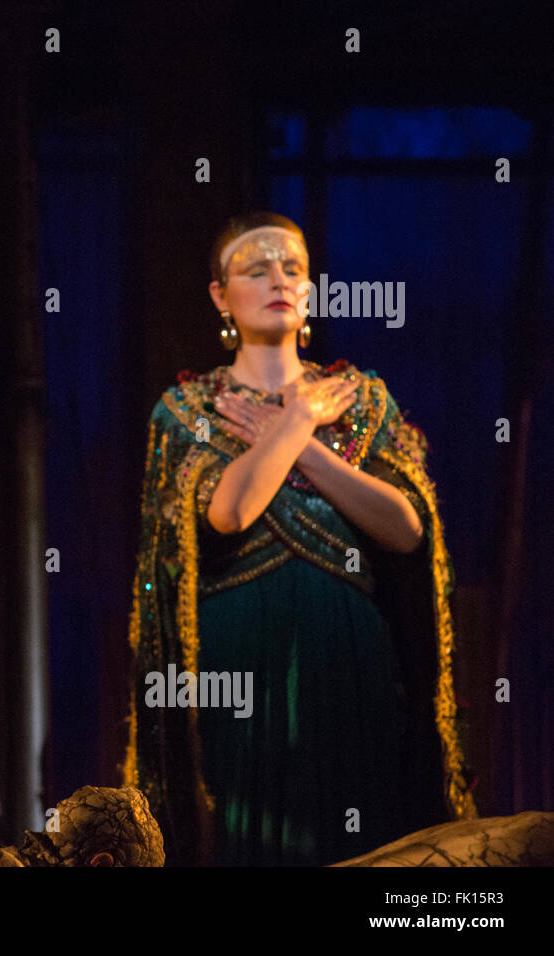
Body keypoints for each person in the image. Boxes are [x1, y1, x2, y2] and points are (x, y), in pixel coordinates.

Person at [122, 211, 476, 866]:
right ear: (220, 296)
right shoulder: (188, 411)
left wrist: (302, 436)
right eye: (255, 270)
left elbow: (405, 528)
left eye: (292, 268)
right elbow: (231, 511)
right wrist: (299, 420)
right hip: (238, 664)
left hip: (349, 658)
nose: (278, 279)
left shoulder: (361, 399)